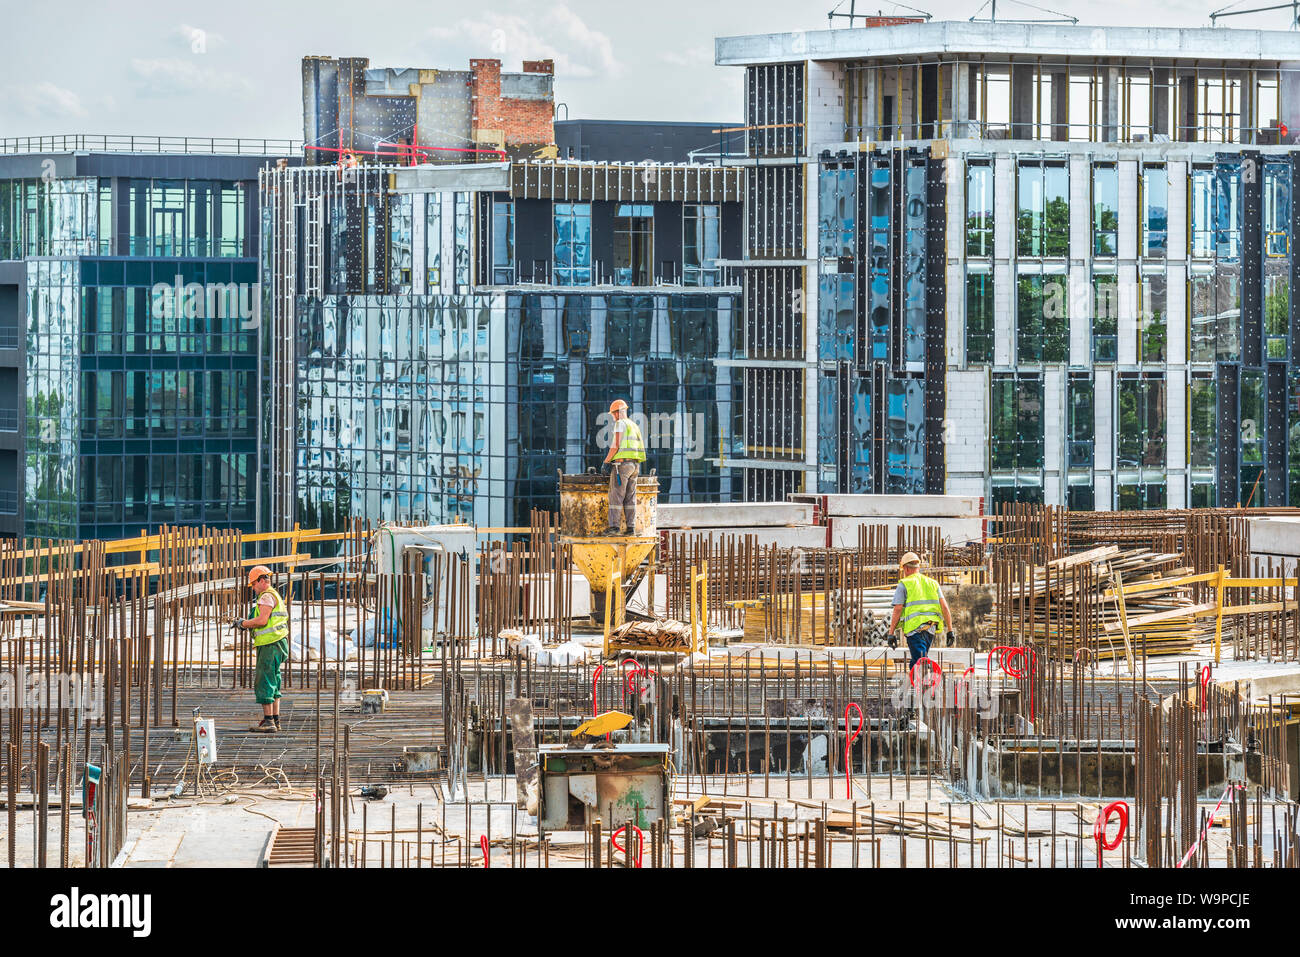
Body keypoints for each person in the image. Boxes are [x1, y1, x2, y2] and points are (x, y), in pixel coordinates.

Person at [231, 565, 290, 733]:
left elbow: (262, 620)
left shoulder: (265, 596)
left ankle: (269, 722)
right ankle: (275, 719)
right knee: (274, 679)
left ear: (261, 581)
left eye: (253, 584)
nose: (253, 588)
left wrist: (243, 623)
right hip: (278, 643)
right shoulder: (274, 594)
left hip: (270, 644)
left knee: (264, 680)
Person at [888, 551, 956, 672]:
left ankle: (926, 686)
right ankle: (918, 686)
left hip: (915, 630)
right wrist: (950, 631)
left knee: (920, 663)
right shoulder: (932, 583)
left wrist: (891, 633)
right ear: (918, 567)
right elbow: (945, 607)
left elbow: (897, 609)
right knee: (917, 662)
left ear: (906, 568)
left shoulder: (904, 584)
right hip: (930, 629)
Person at [601, 398, 645, 536]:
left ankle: (614, 527)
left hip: (622, 465)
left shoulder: (620, 424)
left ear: (617, 413)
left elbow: (615, 446)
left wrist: (606, 462)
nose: (613, 418)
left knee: (616, 496)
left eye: (613, 414)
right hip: (635, 465)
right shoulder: (634, 425)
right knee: (630, 497)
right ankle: (630, 528)